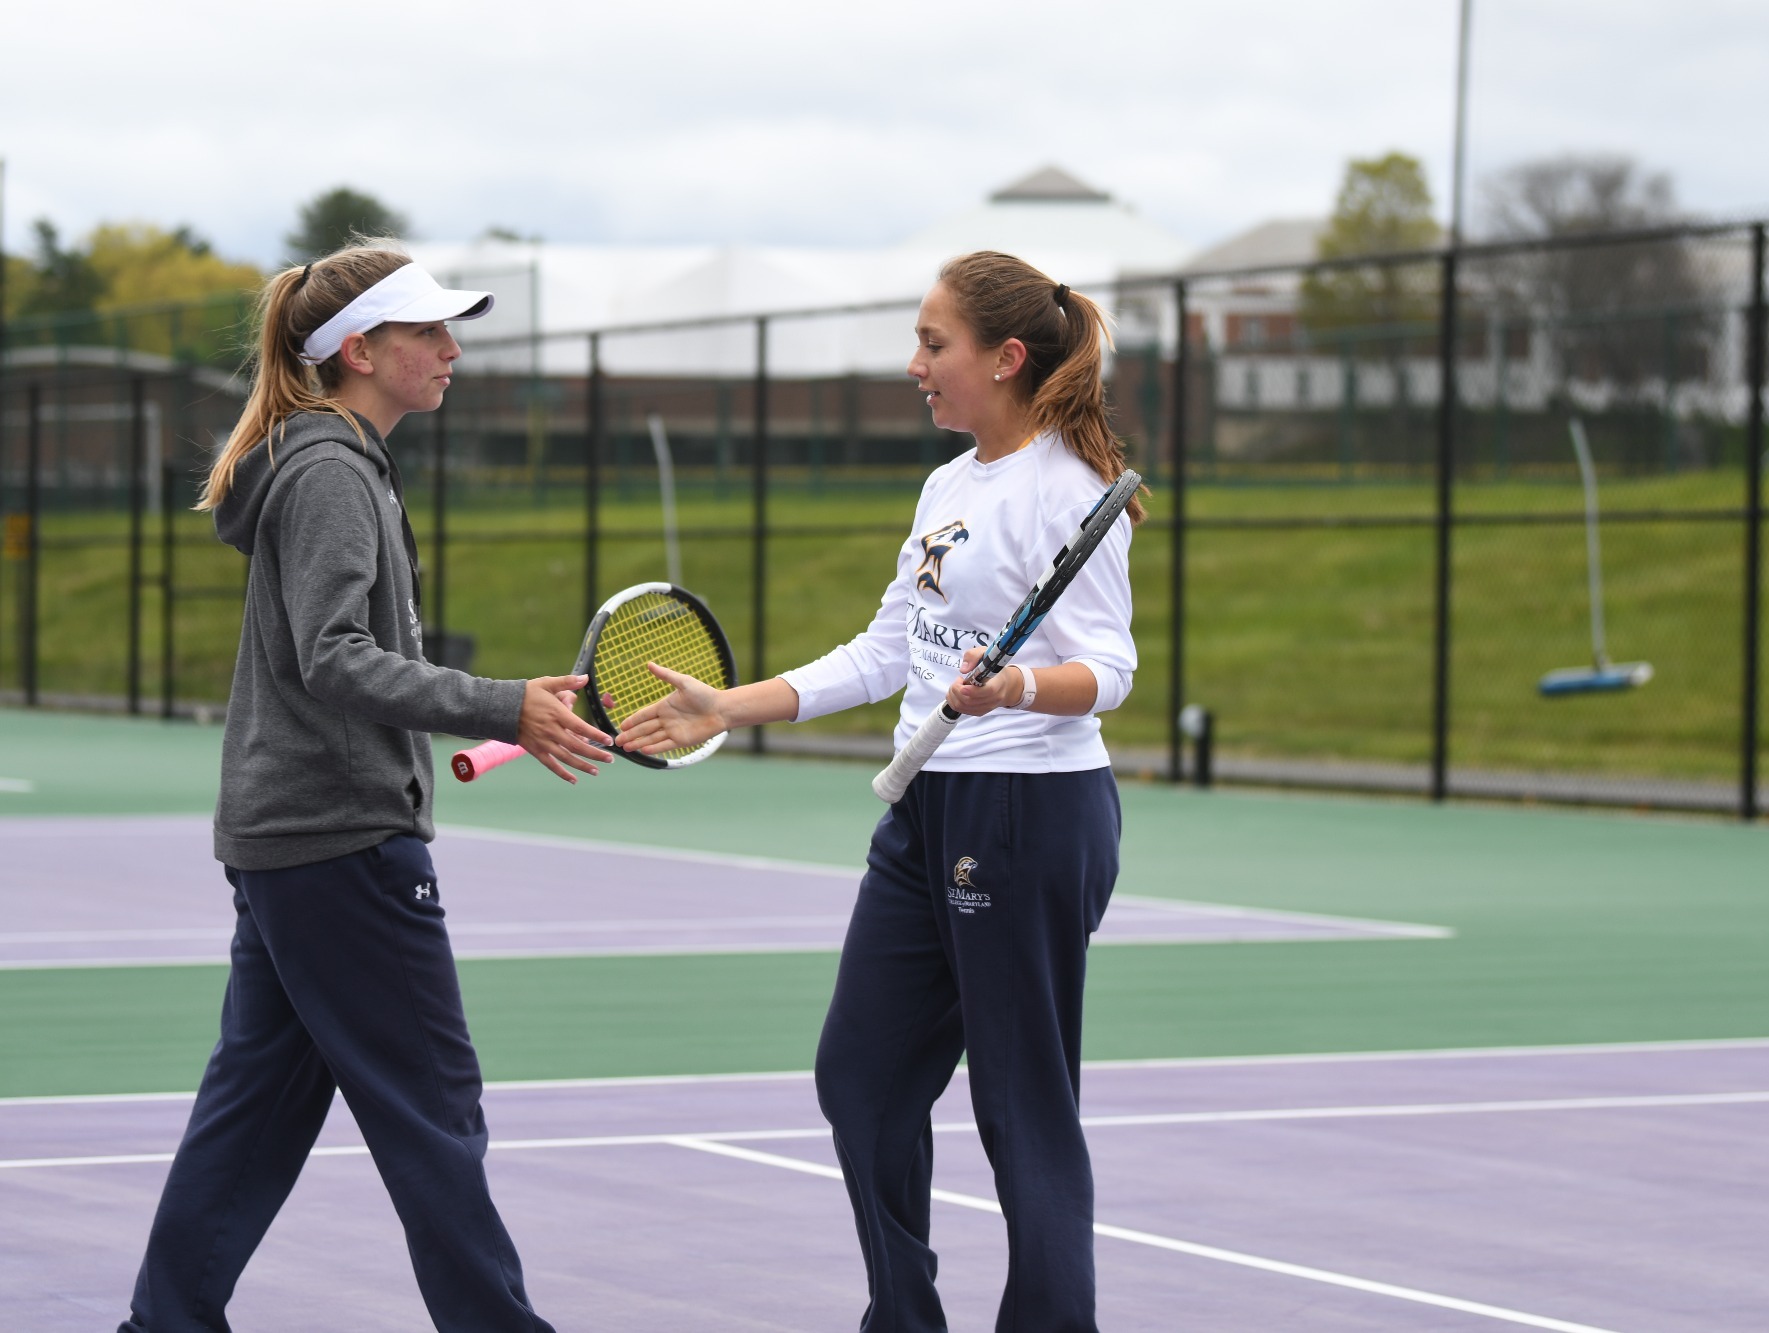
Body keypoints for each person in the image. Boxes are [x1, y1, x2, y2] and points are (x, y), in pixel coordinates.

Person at [617, 250, 1141, 1332]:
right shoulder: (946, 488)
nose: (914, 365)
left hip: (1026, 813)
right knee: (859, 1081)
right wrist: (728, 704)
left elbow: (1110, 671)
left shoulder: (1071, 490)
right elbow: (883, 651)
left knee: (1020, 1111)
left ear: (1002, 359)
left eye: (932, 344)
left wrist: (1017, 686)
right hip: (923, 813)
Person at [118, 243, 610, 1333]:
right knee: (434, 1111)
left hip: (286, 838)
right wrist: (502, 705)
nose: (452, 349)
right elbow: (331, 657)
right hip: (339, 842)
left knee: (250, 1116)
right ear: (359, 350)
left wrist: (496, 703)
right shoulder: (334, 471)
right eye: (428, 332)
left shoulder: (325, 460)